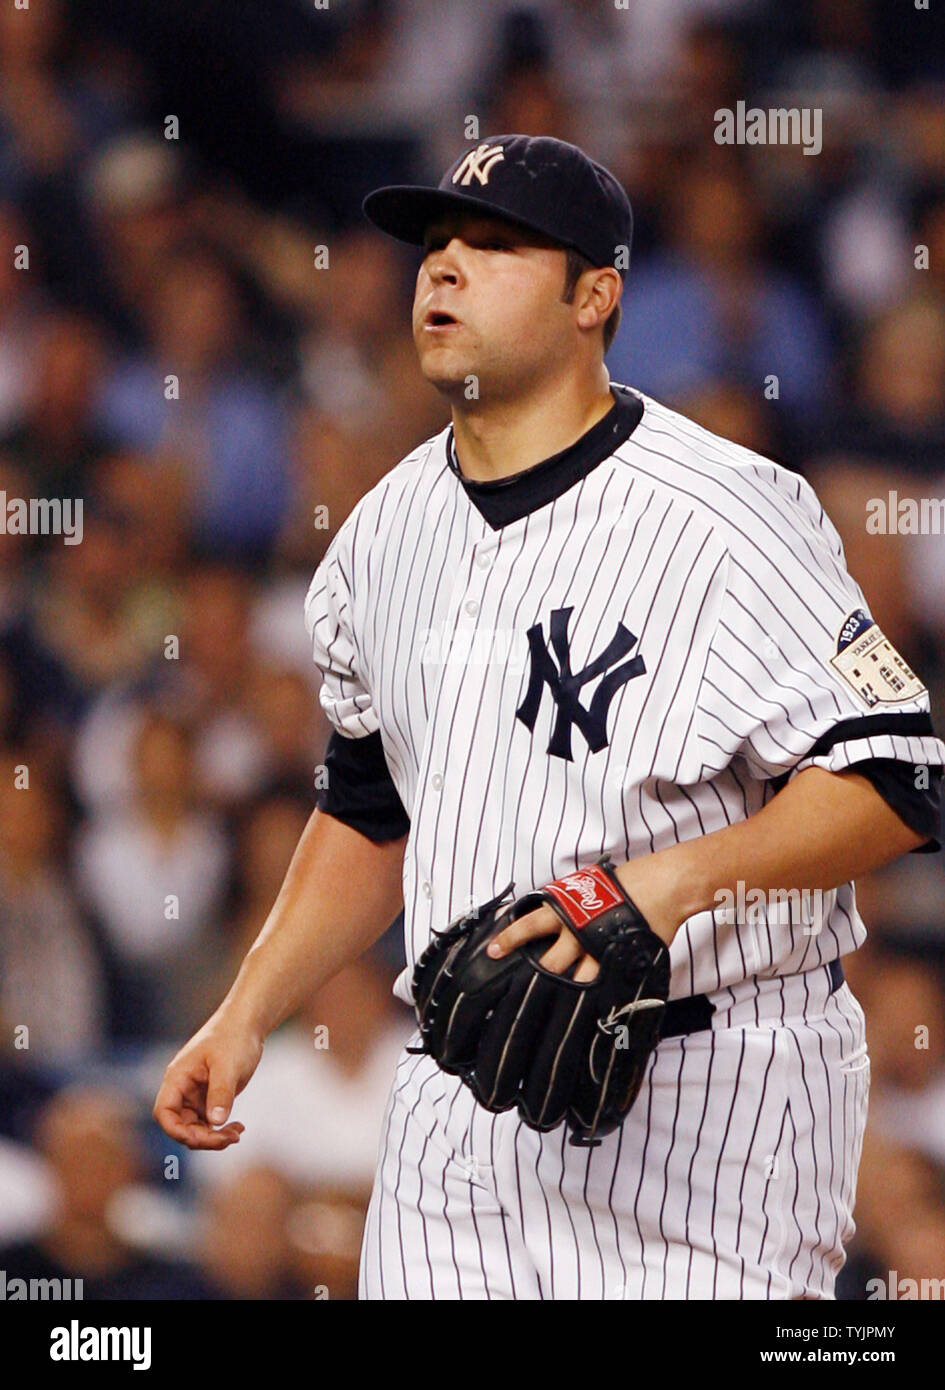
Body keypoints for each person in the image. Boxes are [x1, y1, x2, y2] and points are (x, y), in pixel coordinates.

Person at [154, 134, 945, 1300]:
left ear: (595, 295)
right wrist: (245, 1011)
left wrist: (662, 888)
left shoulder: (728, 512)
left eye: (497, 244)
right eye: (436, 245)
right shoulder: (381, 533)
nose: (447, 269)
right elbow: (370, 811)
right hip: (462, 1094)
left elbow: (895, 778)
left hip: (710, 1097)